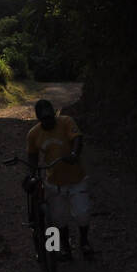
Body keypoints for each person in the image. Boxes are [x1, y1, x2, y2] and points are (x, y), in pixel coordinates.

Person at [26, 98, 93, 260]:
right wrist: (32, 175)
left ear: (54, 114)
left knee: (82, 213)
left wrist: (74, 154)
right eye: (44, 119)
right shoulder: (33, 134)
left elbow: (77, 138)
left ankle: (84, 241)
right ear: (39, 119)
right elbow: (32, 156)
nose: (48, 121)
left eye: (50, 117)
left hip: (76, 179)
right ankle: (65, 247)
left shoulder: (66, 122)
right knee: (58, 218)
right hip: (54, 182)